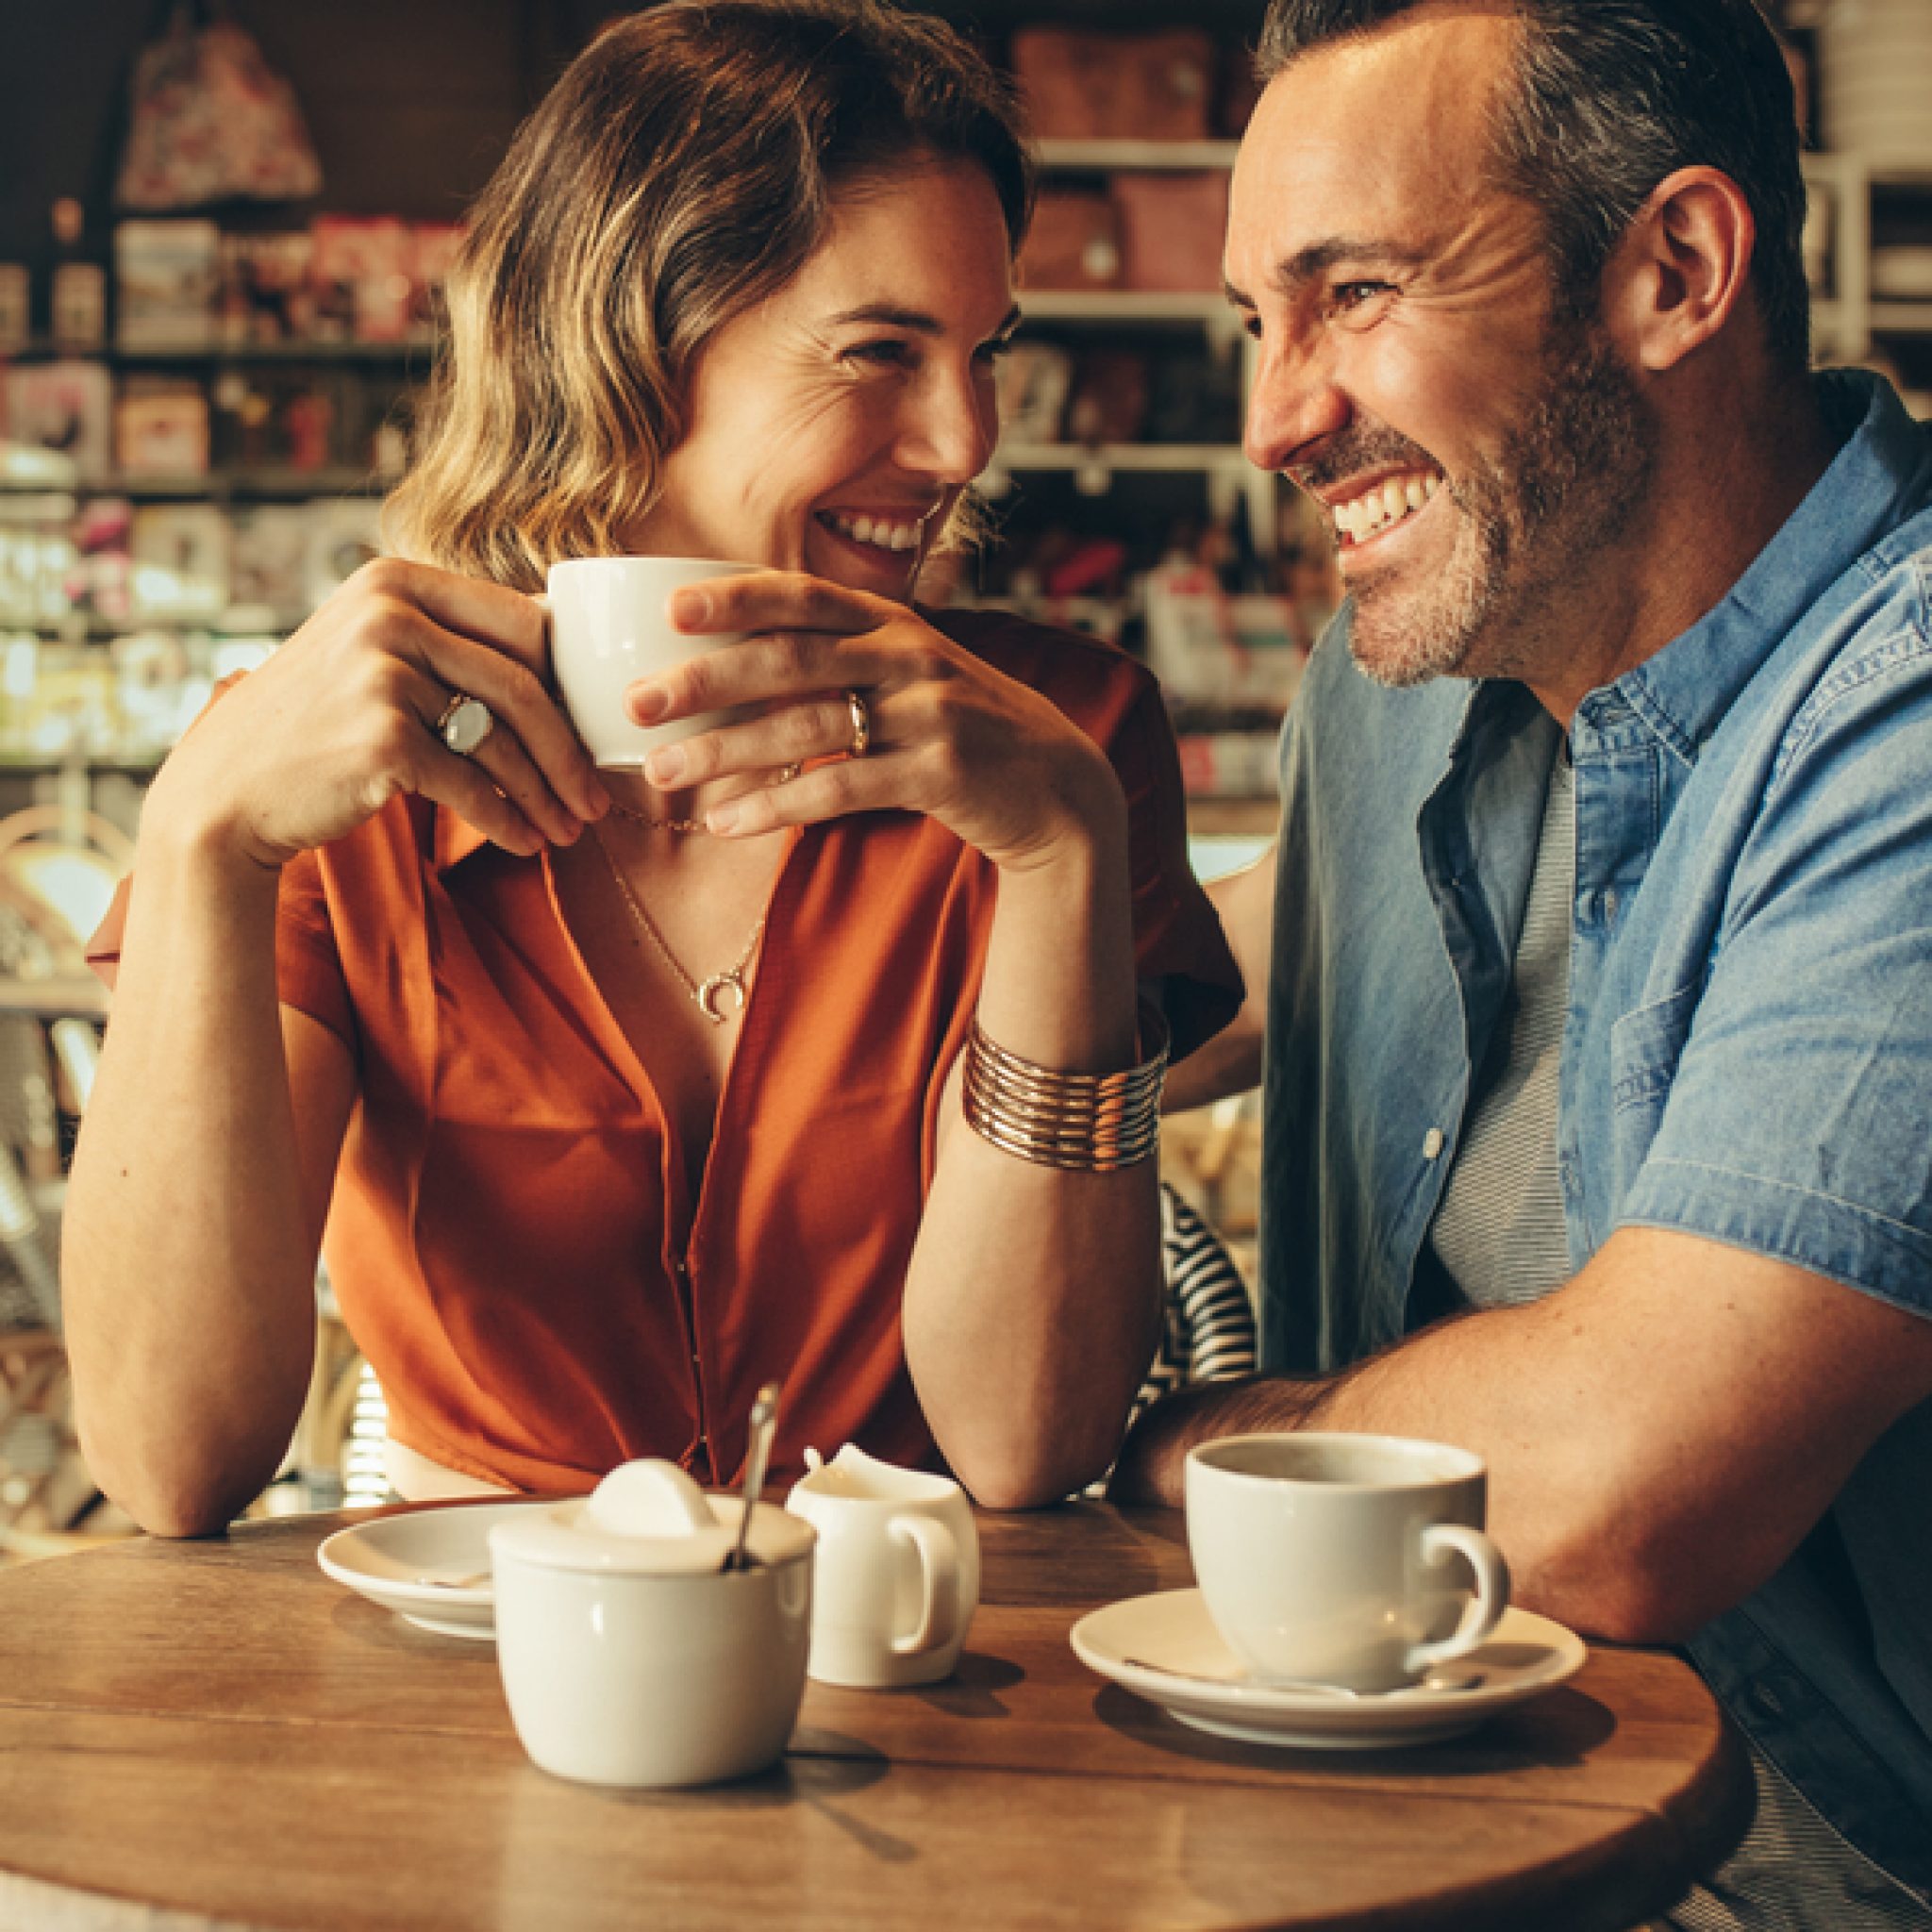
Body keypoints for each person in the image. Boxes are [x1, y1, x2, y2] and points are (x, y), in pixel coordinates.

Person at [63, 0, 1239, 1537]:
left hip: (930, 1692)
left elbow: (1024, 1440)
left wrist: (1064, 851)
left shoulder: (1060, 747)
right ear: (629, 342)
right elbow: (167, 1461)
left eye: (984, 354)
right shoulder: (333, 768)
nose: (966, 440)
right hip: (466, 1677)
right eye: (882, 351)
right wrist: (204, 835)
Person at [1115, 0, 1932, 1923]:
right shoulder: (1407, 665)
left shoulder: (1900, 718)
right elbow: (1262, 952)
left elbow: (1617, 1483)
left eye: (1355, 293)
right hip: (1411, 1804)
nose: (1276, 418)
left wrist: (1177, 1436)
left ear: (1672, 269)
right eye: (1259, 321)